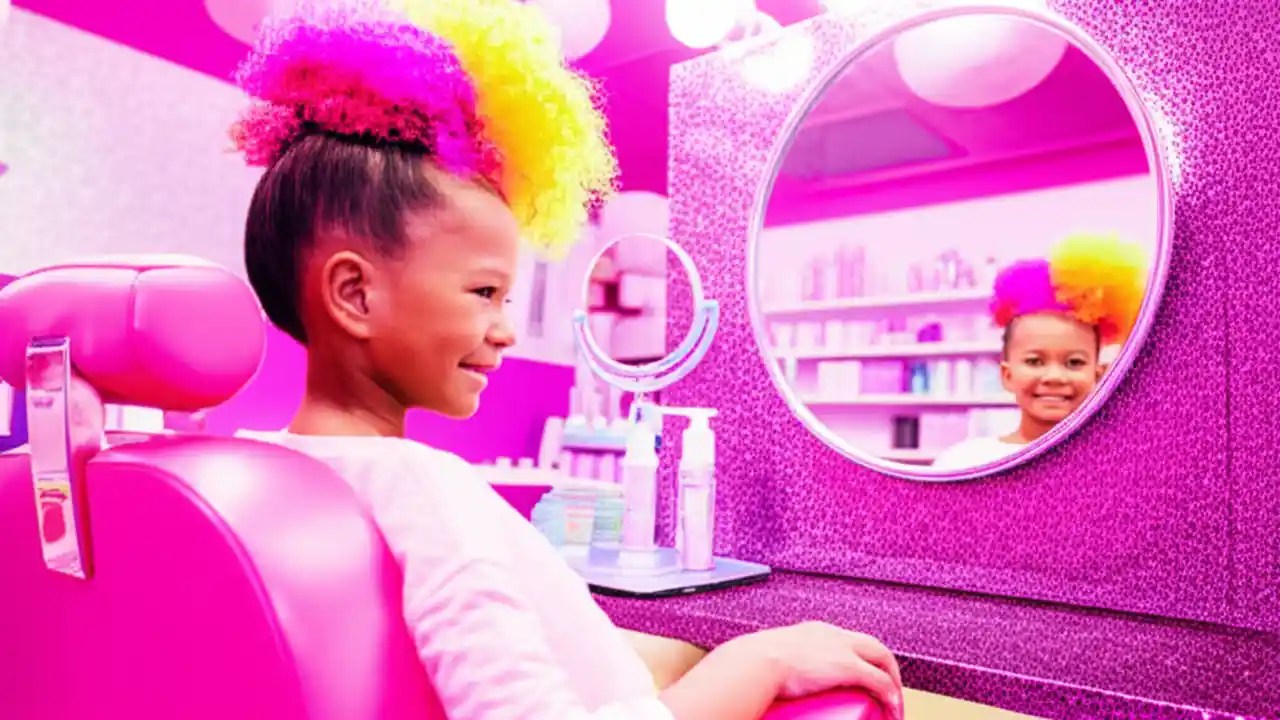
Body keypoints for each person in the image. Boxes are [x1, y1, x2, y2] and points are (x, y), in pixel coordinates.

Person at [228, 1, 904, 718]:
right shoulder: (427, 492)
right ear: (355, 295)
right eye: (484, 292)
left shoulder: (266, 466)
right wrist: (755, 662)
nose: (506, 331)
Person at [932, 233, 1146, 471]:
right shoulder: (965, 462)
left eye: (1074, 363)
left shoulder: (1116, 466)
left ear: (1098, 374)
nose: (1054, 376)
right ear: (1007, 375)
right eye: (1035, 361)